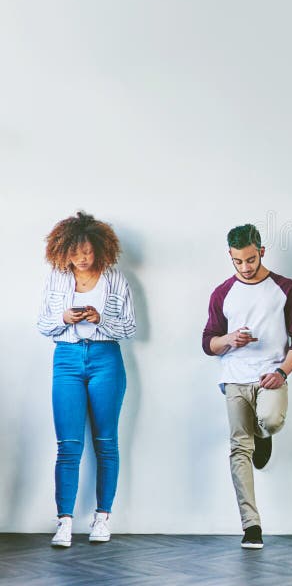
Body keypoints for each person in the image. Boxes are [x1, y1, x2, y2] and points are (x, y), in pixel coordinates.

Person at [202, 223, 292, 549]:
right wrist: (228, 340)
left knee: (272, 420)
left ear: (261, 251)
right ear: (231, 257)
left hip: (270, 374)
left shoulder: (285, 288)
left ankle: (262, 433)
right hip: (234, 376)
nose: (246, 267)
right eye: (238, 261)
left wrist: (283, 371)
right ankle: (251, 526)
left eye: (251, 259)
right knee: (239, 448)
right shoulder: (223, 293)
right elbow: (208, 342)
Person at [37, 211, 136, 547]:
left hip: (106, 359)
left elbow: (130, 328)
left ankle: (102, 518)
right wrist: (65, 318)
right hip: (66, 359)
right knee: (68, 445)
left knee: (106, 443)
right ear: (63, 251)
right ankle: (64, 521)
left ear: (99, 249)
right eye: (74, 252)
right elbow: (43, 325)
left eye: (87, 251)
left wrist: (100, 319)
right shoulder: (56, 278)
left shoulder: (116, 280)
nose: (81, 258)